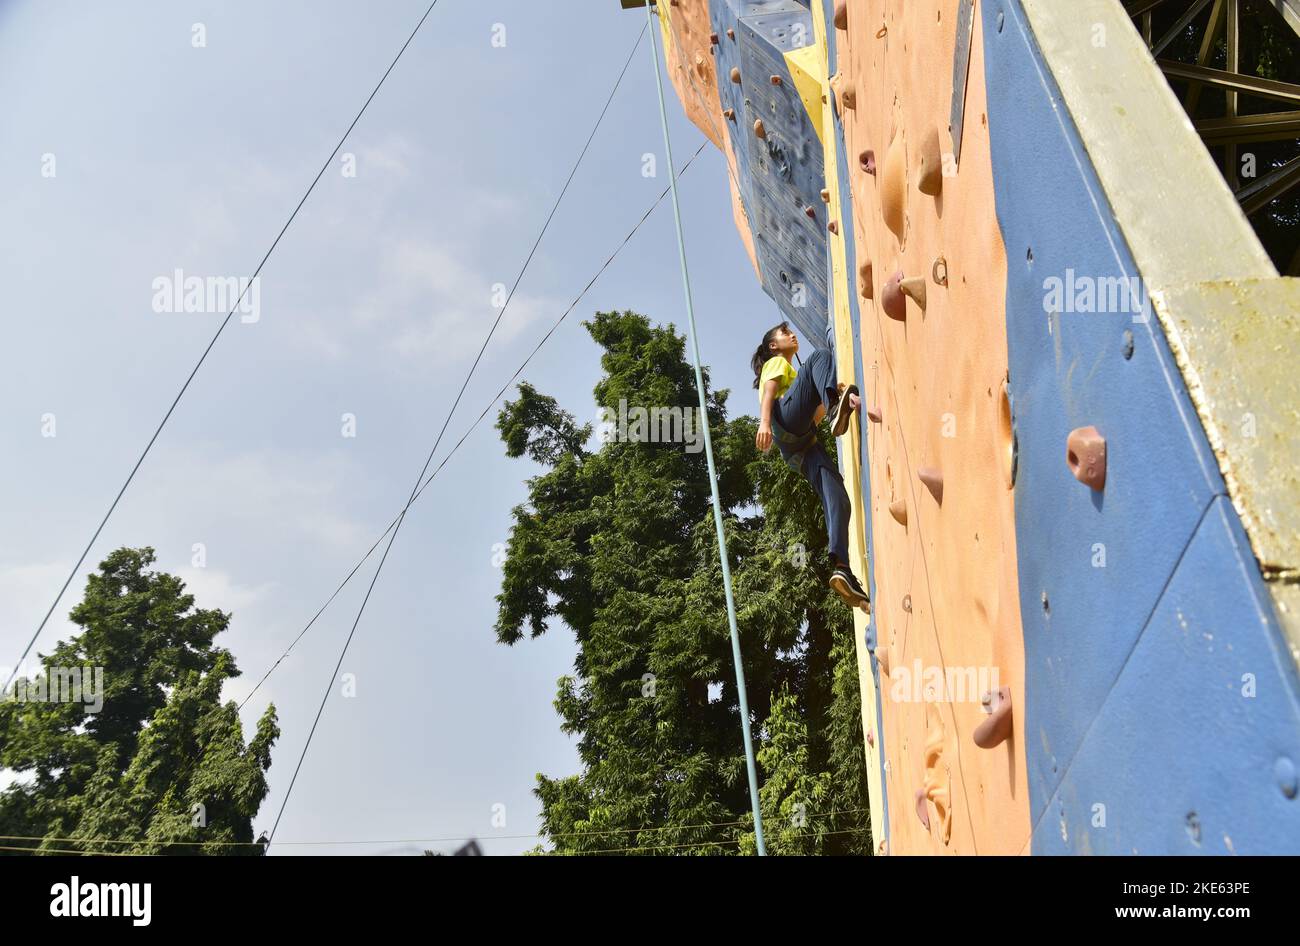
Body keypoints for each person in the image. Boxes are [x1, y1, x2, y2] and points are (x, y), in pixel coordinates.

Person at [752, 320, 870, 611]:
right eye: (784, 333)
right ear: (773, 346)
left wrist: (832, 396)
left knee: (838, 497)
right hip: (783, 423)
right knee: (819, 356)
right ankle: (834, 407)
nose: (792, 334)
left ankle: (841, 566)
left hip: (801, 447)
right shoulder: (778, 364)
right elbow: (769, 392)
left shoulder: (795, 379)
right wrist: (764, 422)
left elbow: (811, 416)